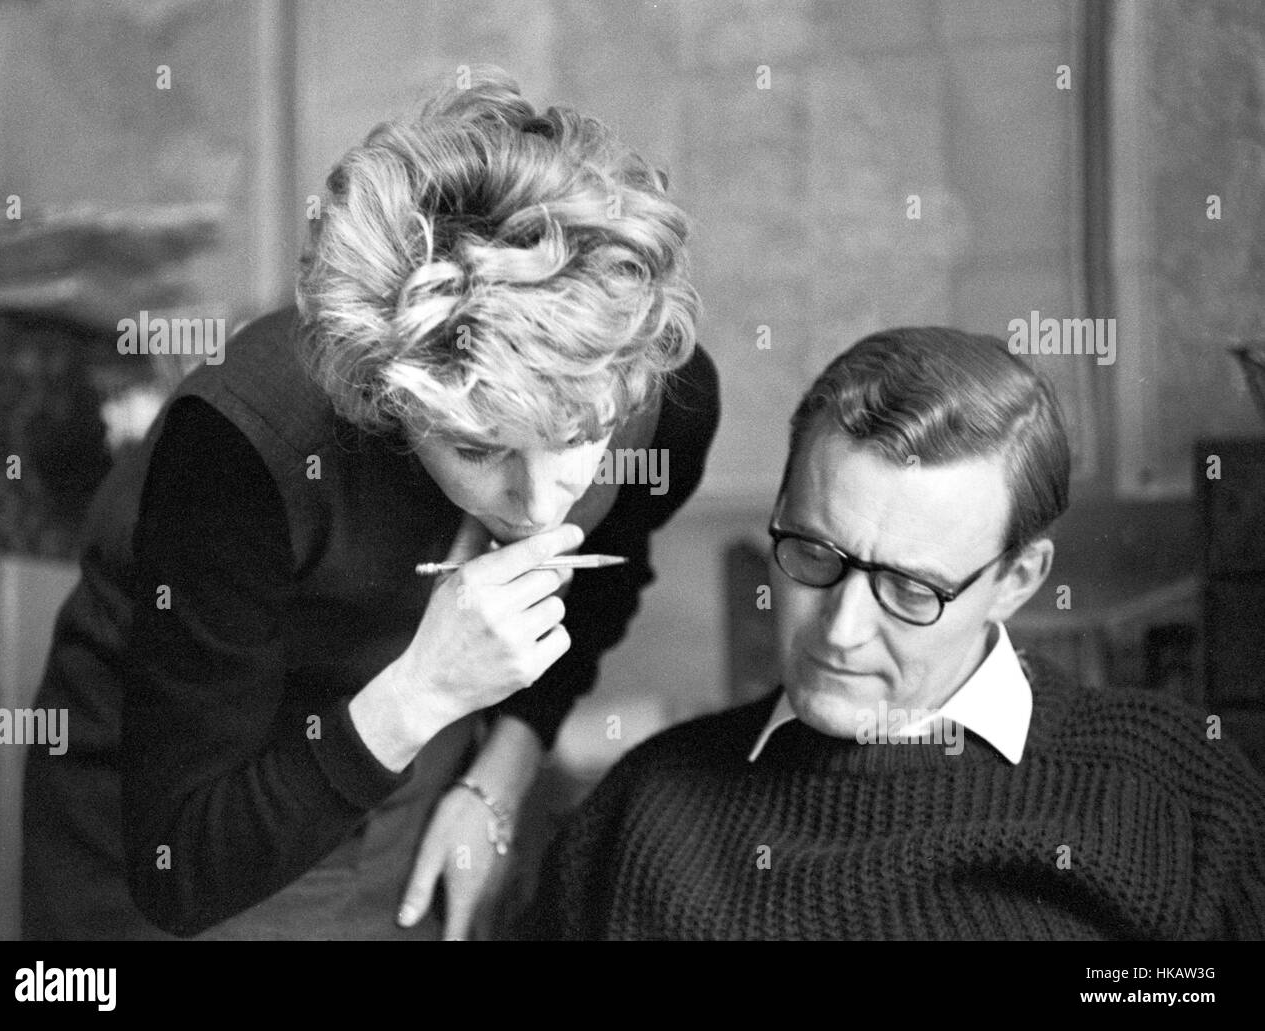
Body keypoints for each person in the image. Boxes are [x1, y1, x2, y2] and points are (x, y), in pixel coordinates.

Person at [22, 67, 719, 940]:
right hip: (191, 790)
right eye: (477, 447)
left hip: (414, 753)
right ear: (388, 401)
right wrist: (424, 692)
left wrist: (495, 778)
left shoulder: (660, 382)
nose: (544, 509)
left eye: (582, 434)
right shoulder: (241, 451)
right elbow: (181, 866)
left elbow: (606, 575)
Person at [528, 327, 1265, 940]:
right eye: (814, 554)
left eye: (911, 588)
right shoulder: (645, 811)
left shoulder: (1174, 794)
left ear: (1017, 579)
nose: (841, 631)